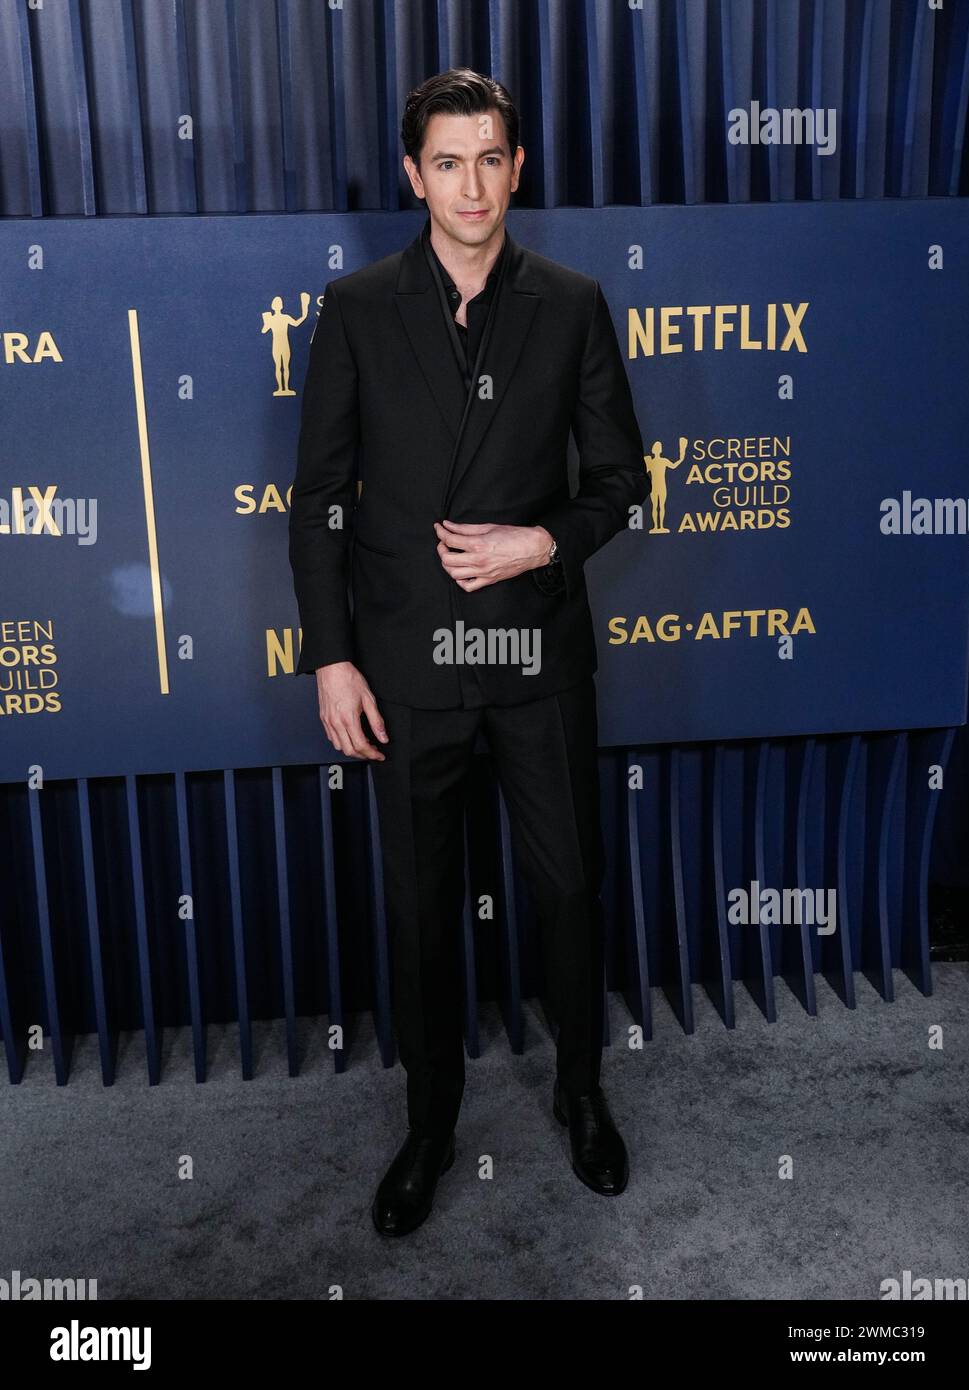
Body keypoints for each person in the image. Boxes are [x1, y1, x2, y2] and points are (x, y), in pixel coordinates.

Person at [288, 67, 647, 1237]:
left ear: (518, 167)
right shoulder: (351, 312)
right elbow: (317, 502)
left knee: (570, 888)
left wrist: (541, 538)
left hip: (537, 653)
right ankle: (430, 1122)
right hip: (406, 671)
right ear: (414, 176)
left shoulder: (574, 303)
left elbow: (622, 482)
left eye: (492, 157)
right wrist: (333, 659)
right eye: (448, 161)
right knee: (419, 906)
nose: (472, 182)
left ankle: (582, 1094)